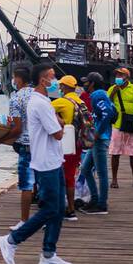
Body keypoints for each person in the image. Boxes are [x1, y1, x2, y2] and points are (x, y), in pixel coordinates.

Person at [0, 62, 70, 264]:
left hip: (53, 160)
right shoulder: (40, 103)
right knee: (49, 209)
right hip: (46, 163)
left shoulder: (43, 100)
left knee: (58, 208)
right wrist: (61, 124)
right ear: (43, 80)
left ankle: (49, 253)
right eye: (52, 76)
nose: (55, 80)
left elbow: (55, 125)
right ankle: (12, 240)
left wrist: (58, 122)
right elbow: (57, 133)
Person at [3, 65, 36, 227]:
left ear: (19, 80)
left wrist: (0, 138)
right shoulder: (38, 95)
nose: (13, 81)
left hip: (25, 145)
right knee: (41, 182)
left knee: (26, 185)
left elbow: (17, 128)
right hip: (40, 145)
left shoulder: (16, 99)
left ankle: (24, 220)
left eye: (14, 78)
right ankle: (42, 218)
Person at [81, 72, 116, 214]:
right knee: (85, 169)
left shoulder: (98, 95)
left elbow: (107, 113)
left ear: (93, 83)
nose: (85, 84)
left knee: (101, 173)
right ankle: (95, 198)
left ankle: (102, 204)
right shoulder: (101, 94)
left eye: (87, 82)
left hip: (100, 139)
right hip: (99, 139)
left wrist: (97, 133)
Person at [51, 74, 82, 223]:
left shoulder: (62, 101)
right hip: (78, 144)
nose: (60, 87)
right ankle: (69, 208)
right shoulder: (80, 101)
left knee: (66, 177)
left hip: (66, 143)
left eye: (61, 85)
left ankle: (69, 209)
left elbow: (45, 111)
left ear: (65, 87)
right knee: (71, 175)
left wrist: (59, 118)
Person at [109, 67, 133, 189]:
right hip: (117, 125)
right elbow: (106, 104)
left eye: (121, 75)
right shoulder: (112, 89)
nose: (118, 77)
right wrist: (113, 92)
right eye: (117, 75)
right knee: (115, 153)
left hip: (131, 125)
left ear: (127, 77)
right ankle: (114, 180)